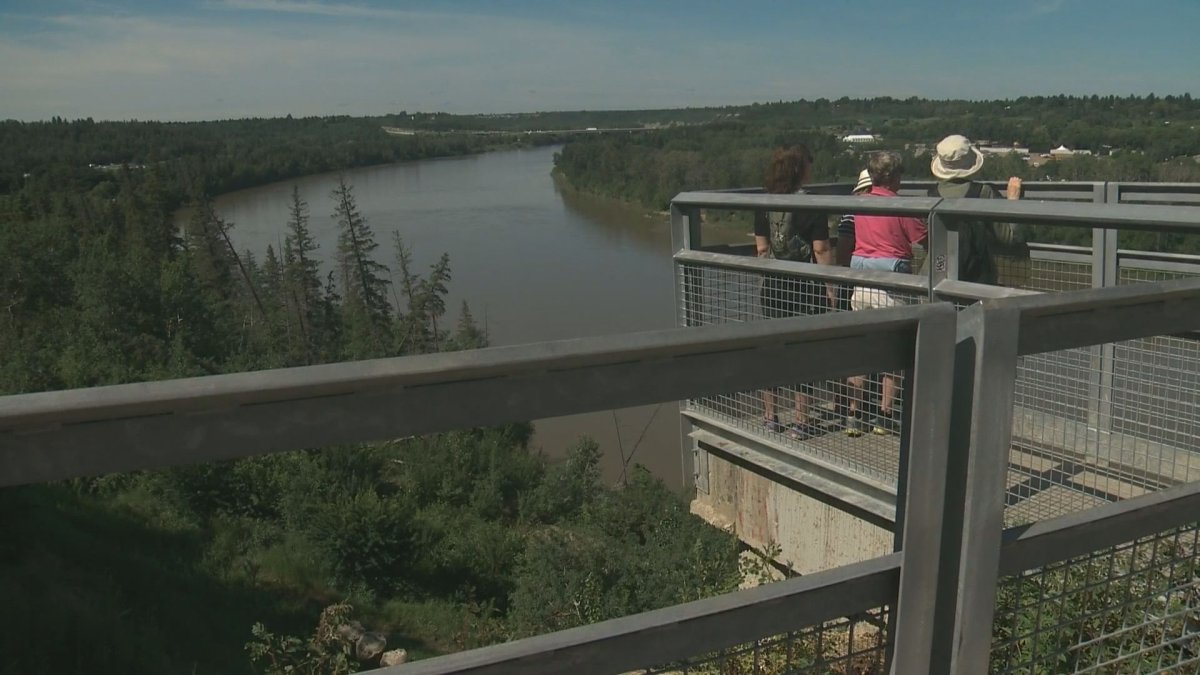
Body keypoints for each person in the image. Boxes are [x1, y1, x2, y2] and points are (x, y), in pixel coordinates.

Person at [754, 145, 835, 438]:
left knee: (773, 348)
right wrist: (830, 286)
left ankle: (770, 418)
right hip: (804, 285)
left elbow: (762, 248)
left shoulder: (765, 203)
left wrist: (768, 277)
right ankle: (801, 423)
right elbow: (821, 249)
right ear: (800, 171)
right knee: (803, 351)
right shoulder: (809, 205)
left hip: (774, 285)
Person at [848, 151, 927, 435]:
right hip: (892, 283)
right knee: (894, 350)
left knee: (861, 351)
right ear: (894, 177)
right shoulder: (901, 205)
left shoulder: (860, 204)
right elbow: (924, 238)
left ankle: (854, 415)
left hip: (861, 281)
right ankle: (884, 415)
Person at [928, 134, 1029, 285]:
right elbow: (1010, 237)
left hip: (938, 273)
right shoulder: (984, 193)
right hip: (977, 277)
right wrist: (1013, 202)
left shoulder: (931, 195)